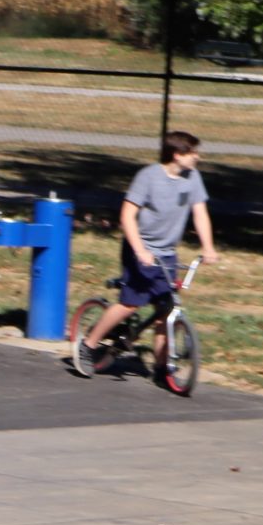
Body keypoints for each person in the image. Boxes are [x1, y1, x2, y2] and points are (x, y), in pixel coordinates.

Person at [70, 129, 219, 378]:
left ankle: (162, 366)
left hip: (167, 252)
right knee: (130, 304)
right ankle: (88, 345)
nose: (197, 157)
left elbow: (200, 213)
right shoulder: (148, 177)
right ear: (177, 154)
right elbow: (127, 215)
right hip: (140, 248)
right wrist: (140, 250)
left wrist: (208, 247)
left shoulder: (193, 177)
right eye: (192, 152)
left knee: (166, 308)